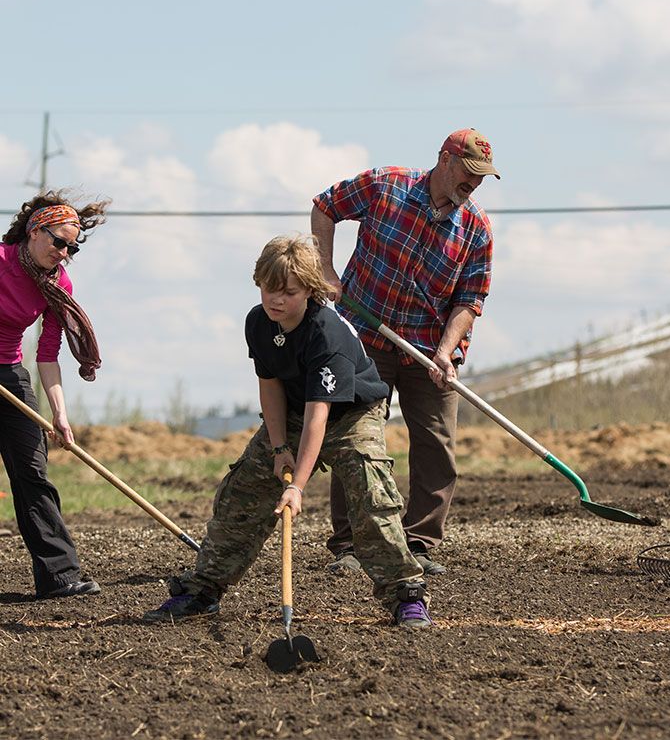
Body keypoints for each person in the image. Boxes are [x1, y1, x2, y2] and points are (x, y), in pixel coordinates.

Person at [143, 235, 432, 627]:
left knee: (370, 491)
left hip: (351, 414)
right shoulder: (259, 323)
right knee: (243, 488)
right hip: (294, 411)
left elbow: (320, 416)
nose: (275, 299)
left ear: (311, 291)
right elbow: (270, 384)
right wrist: (279, 447)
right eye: (268, 289)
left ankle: (405, 595)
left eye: (288, 292)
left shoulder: (326, 333)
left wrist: (297, 485)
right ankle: (203, 589)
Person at [311, 128, 499, 576]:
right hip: (363, 338)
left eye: (481, 177)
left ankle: (420, 543)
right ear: (445, 160)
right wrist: (325, 270)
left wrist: (446, 351)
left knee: (437, 442)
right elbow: (324, 206)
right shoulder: (385, 185)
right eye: (469, 172)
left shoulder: (476, 229)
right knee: (355, 438)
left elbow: (470, 300)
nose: (473, 184)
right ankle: (350, 546)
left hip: (429, 348)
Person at [1, 191, 107, 599]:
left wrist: (60, 414)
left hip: (10, 375)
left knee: (32, 473)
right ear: (33, 231)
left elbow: (47, 356)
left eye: (71, 247)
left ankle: (59, 576)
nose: (64, 252)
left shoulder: (56, 283)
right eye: (58, 241)